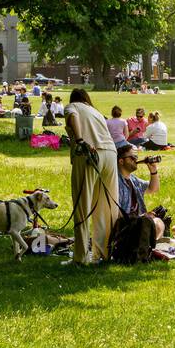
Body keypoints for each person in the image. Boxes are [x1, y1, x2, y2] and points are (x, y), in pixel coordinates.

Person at [64, 88, 120, 265]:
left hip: (89, 153)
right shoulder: (95, 111)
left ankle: (80, 258)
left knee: (82, 206)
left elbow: (73, 117)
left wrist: (80, 140)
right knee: (107, 208)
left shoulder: (73, 106)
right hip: (110, 153)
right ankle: (103, 253)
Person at [116, 143, 164, 238]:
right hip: (125, 226)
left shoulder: (133, 180)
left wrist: (153, 170)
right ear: (121, 161)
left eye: (136, 157)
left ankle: (145, 246)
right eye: (132, 158)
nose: (136, 160)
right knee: (157, 224)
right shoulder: (116, 182)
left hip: (138, 222)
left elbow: (153, 189)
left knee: (159, 222)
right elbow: (117, 214)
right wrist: (142, 217)